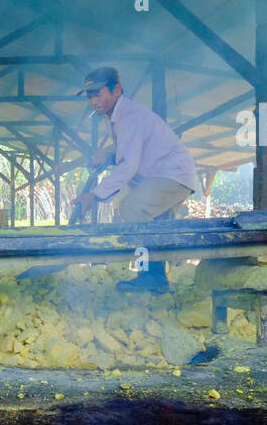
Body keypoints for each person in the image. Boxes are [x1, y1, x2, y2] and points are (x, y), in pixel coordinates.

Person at [72, 67, 198, 293]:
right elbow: (131, 151)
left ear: (116, 89)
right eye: (90, 96)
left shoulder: (128, 117)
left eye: (98, 94)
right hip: (164, 175)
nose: (93, 101)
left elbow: (128, 166)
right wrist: (109, 155)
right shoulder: (118, 116)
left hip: (172, 175)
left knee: (131, 206)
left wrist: (95, 195)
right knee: (155, 226)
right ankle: (157, 282)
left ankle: (149, 275)